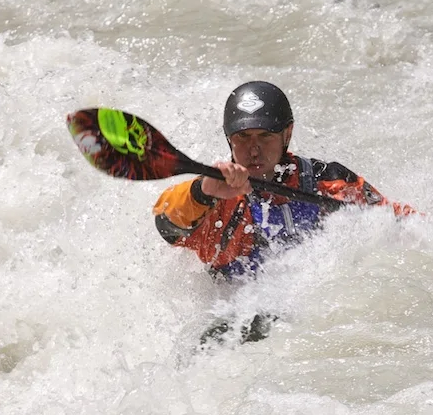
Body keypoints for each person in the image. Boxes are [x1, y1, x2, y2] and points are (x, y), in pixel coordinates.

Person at [153, 81, 393, 280]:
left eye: (265, 136)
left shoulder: (328, 181)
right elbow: (166, 225)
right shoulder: (215, 194)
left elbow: (395, 221)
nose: (254, 150)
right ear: (229, 139)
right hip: (235, 310)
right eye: (243, 137)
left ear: (287, 134)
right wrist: (201, 191)